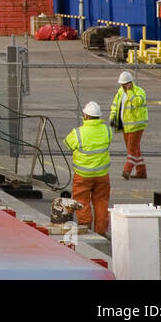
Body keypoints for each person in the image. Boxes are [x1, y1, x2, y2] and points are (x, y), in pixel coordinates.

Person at [64, 101, 113, 237]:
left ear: (85, 116)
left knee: (81, 200)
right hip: (102, 175)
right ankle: (101, 231)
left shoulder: (78, 133)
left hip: (83, 175)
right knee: (101, 201)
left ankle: (85, 226)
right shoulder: (107, 130)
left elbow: (67, 144)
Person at [111, 70, 149, 180]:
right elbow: (115, 106)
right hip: (125, 126)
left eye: (125, 84)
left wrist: (130, 92)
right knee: (135, 149)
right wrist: (113, 118)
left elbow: (137, 103)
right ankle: (141, 172)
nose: (123, 86)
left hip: (136, 126)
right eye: (121, 85)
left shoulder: (139, 91)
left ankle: (126, 170)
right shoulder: (120, 92)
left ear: (130, 82)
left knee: (131, 150)